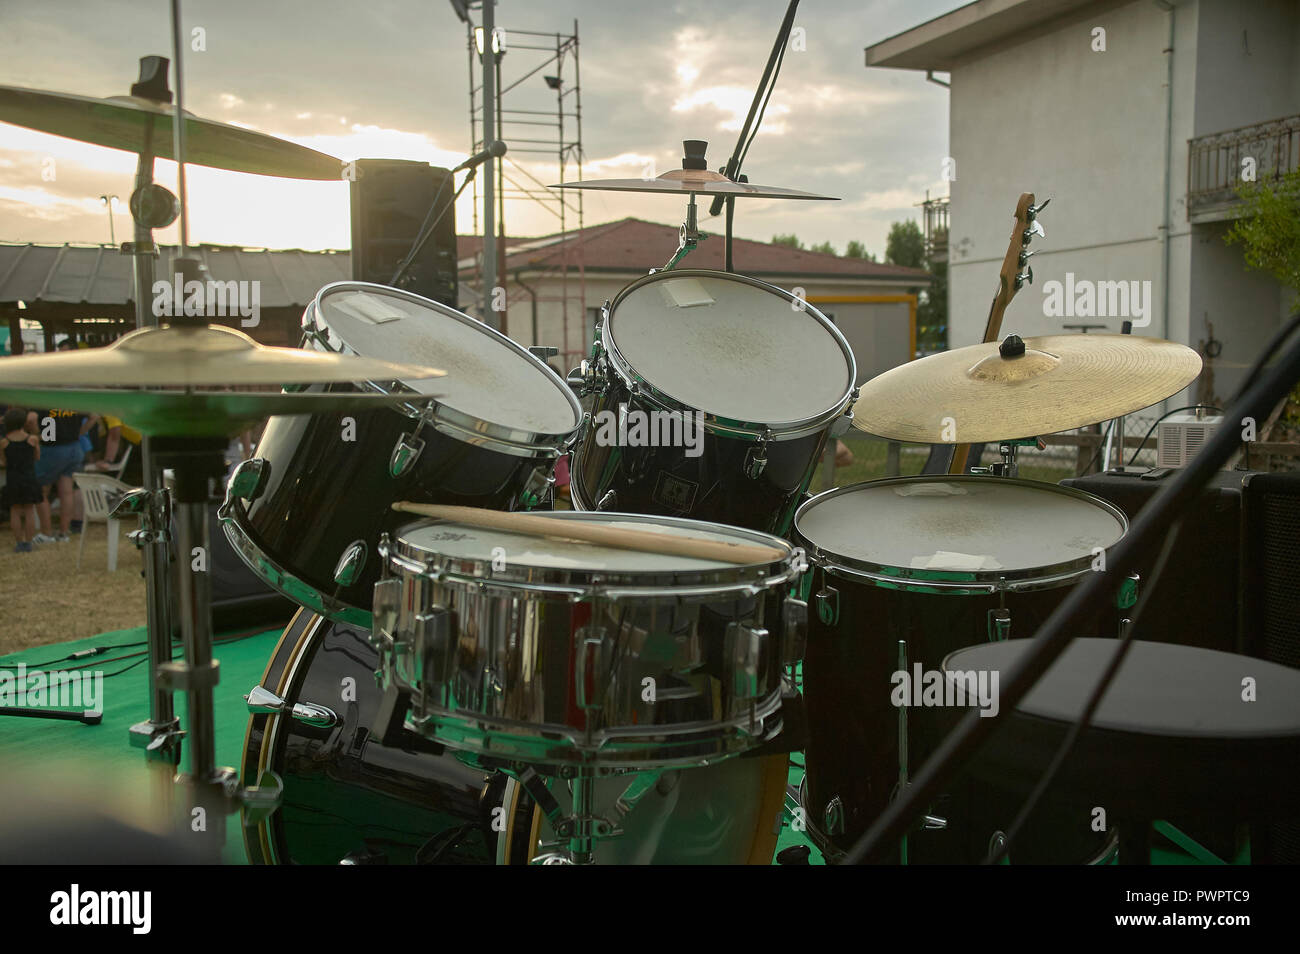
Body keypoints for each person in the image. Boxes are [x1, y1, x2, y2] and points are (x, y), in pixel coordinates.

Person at [34, 406, 94, 542]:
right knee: (67, 492)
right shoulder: (69, 398)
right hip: (74, 447)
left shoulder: (40, 399)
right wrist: (79, 433)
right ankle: (63, 533)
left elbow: (32, 418)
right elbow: (94, 416)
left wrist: (37, 434)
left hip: (51, 448)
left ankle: (46, 533)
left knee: (41, 491)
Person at [1, 407, 42, 552]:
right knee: (29, 510)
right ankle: (28, 542)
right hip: (29, 477)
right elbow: (37, 457)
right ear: (23, 422)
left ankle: (19, 543)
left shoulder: (4, 442)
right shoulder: (32, 439)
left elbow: (4, 462)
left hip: (13, 479)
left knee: (15, 511)